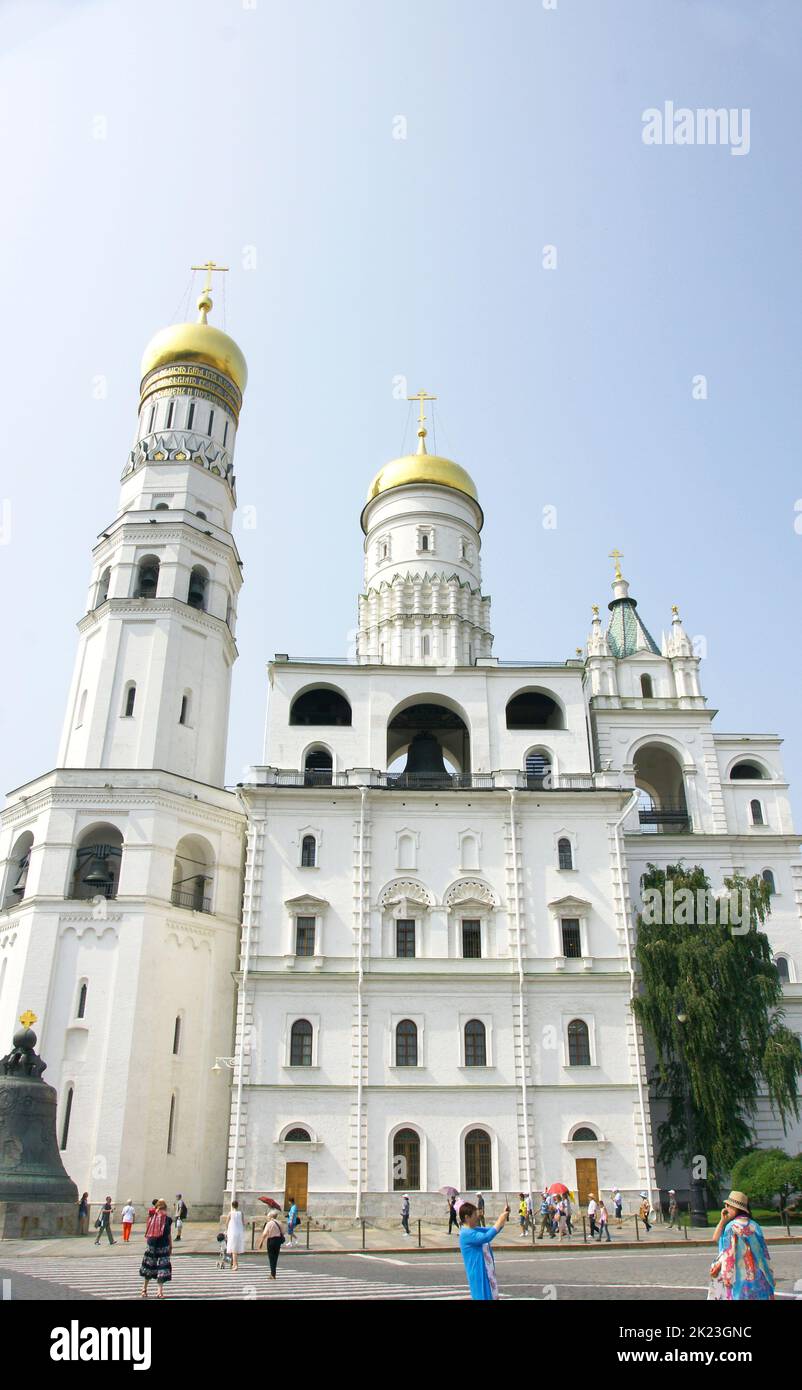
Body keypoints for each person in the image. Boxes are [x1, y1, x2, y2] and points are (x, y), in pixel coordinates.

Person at [710, 1191, 774, 1301]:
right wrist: (770, 1274)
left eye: (728, 1205)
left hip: (740, 1280)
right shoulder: (755, 1225)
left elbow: (728, 1254)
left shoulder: (731, 1227)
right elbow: (765, 1253)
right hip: (759, 1278)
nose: (726, 1208)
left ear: (735, 1207)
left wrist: (726, 1278)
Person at [458, 1200, 510, 1300]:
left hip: (487, 1270)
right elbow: (486, 1237)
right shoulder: (466, 1234)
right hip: (479, 1273)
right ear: (467, 1217)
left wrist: (504, 1215)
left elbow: (494, 1230)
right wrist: (500, 1219)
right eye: (474, 1215)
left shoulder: (475, 1229)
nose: (477, 1217)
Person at [140, 1199, 172, 1298]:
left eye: (164, 1209)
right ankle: (144, 1288)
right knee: (149, 1267)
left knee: (162, 1268)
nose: (163, 1210)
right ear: (157, 1208)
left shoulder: (167, 1219)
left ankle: (159, 1292)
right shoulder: (152, 1217)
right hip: (153, 1245)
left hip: (163, 1245)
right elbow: (148, 1230)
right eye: (161, 1208)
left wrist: (171, 1245)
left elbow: (169, 1233)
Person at [256, 1210, 284, 1280]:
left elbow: (264, 1234)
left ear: (271, 1216)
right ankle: (273, 1273)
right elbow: (283, 1232)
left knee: (271, 1257)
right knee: (275, 1257)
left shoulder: (269, 1223)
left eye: (268, 1216)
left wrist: (261, 1242)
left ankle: (273, 1274)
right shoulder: (280, 1223)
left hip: (271, 1240)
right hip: (278, 1241)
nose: (267, 1217)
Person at [226, 1200, 246, 1271]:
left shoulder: (230, 1213)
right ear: (237, 1206)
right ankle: (234, 1264)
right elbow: (243, 1223)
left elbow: (226, 1223)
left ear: (232, 1205)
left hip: (232, 1232)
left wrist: (227, 1230)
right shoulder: (241, 1213)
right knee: (236, 1249)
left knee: (233, 1250)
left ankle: (235, 1265)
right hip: (239, 1232)